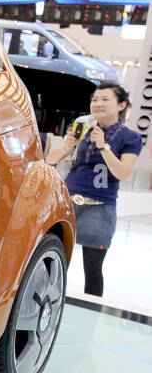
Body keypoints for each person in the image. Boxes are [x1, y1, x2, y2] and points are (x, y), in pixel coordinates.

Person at [46, 81, 143, 297]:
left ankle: (90, 309)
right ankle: (46, 303)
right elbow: (50, 159)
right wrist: (68, 145)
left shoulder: (130, 137)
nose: (98, 103)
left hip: (99, 209)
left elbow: (123, 173)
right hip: (67, 204)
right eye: (95, 99)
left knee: (92, 270)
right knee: (52, 262)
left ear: (121, 105)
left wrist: (104, 147)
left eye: (105, 99)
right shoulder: (83, 129)